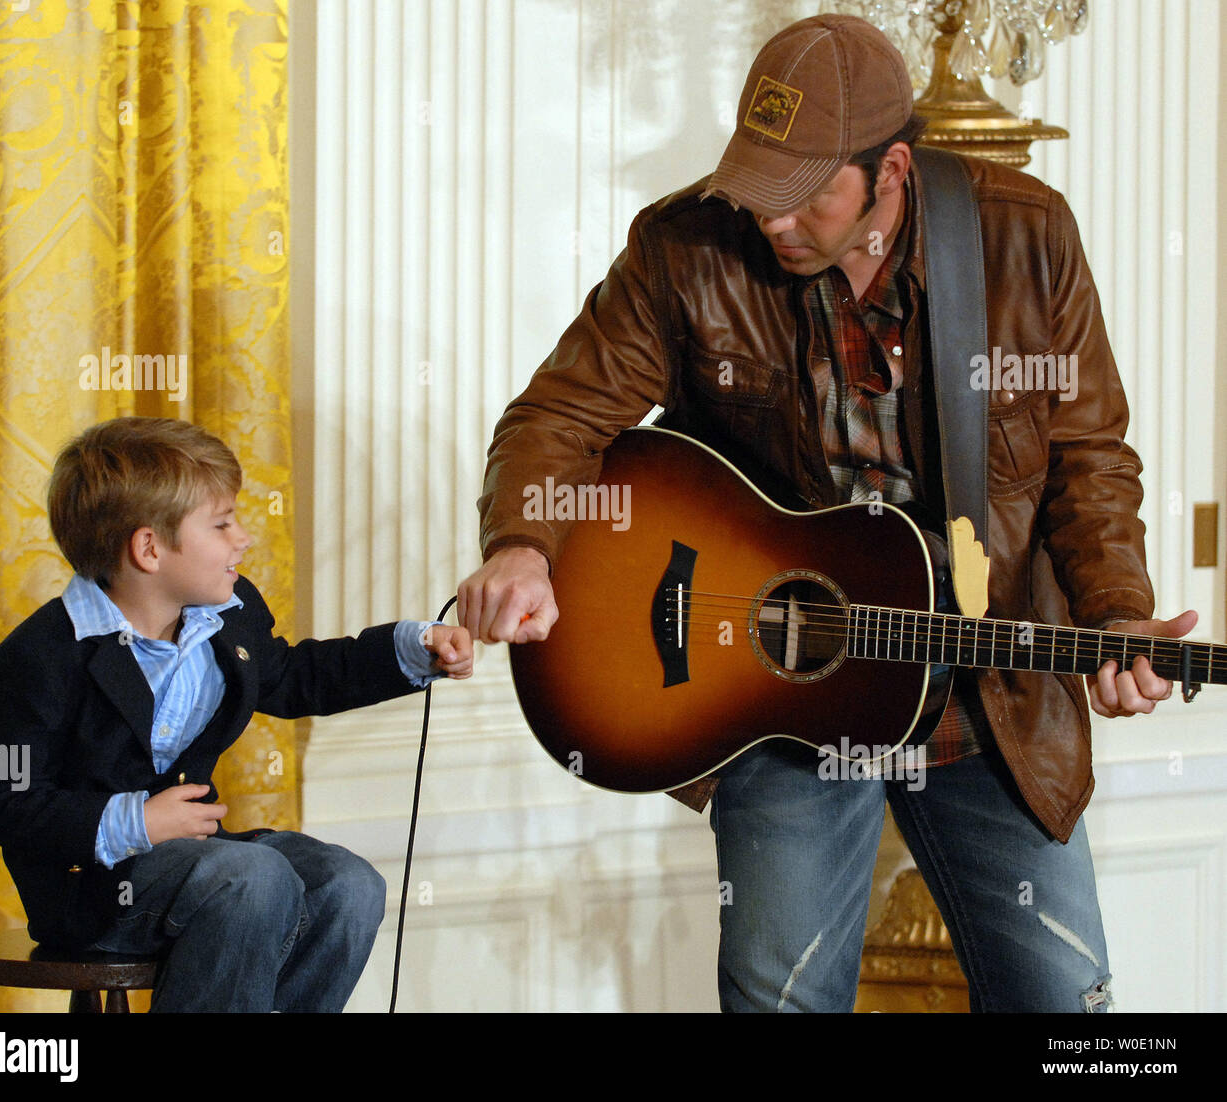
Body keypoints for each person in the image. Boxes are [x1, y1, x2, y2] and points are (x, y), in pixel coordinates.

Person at [457, 14, 1196, 1012]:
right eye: (759, 190)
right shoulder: (688, 247)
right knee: (778, 1002)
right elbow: (557, 413)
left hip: (989, 701)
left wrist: (1118, 611)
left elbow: (1088, 459)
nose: (772, 221)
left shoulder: (1023, 234)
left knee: (1065, 1007)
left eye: (805, 197)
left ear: (890, 169)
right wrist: (521, 545)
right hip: (784, 692)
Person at [0, 416, 473, 1012]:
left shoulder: (229, 614)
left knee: (349, 884)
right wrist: (137, 821)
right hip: (96, 888)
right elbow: (7, 799)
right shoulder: (42, 653)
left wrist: (411, 649)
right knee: (252, 877)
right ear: (149, 548)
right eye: (222, 523)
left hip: (209, 862)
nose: (243, 538)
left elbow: (294, 679)